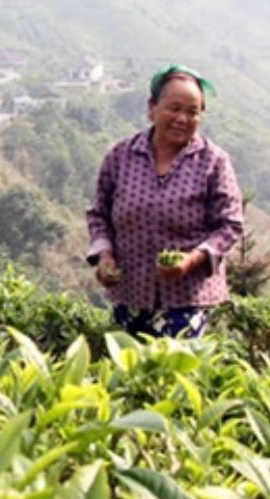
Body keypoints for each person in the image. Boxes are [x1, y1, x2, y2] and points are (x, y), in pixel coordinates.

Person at [86, 64, 244, 337]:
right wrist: (105, 256)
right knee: (129, 375)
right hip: (130, 295)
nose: (183, 118)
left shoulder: (213, 161)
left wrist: (192, 260)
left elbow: (230, 225)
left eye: (193, 112)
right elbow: (99, 214)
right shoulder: (121, 156)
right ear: (152, 108)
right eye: (174, 108)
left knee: (172, 373)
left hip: (187, 300)